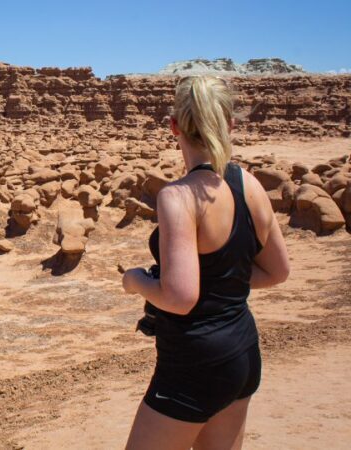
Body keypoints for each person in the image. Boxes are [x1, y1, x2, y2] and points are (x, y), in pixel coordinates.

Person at [122, 75, 290, 449]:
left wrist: (135, 281)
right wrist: (221, 284)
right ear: (229, 124)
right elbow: (277, 272)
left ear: (174, 127)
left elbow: (180, 297)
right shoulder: (248, 183)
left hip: (195, 362)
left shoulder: (179, 197)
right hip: (243, 352)